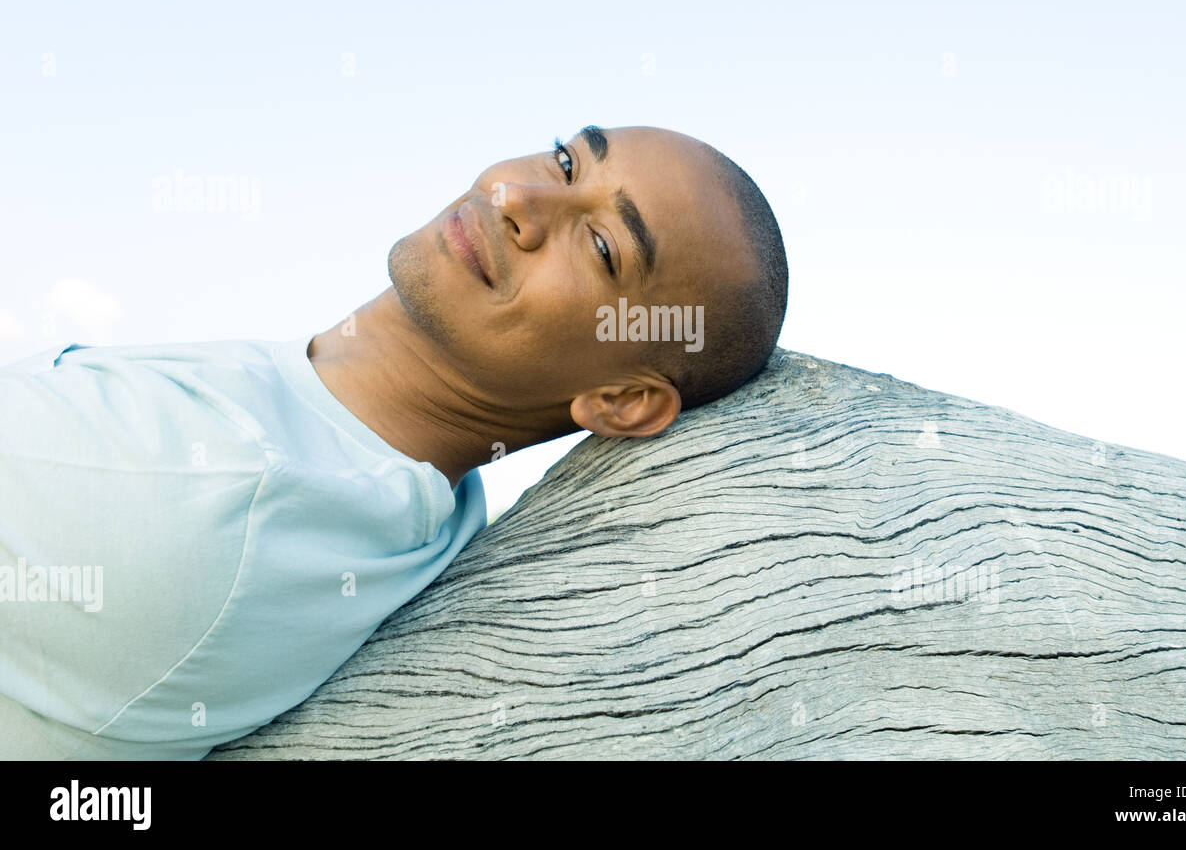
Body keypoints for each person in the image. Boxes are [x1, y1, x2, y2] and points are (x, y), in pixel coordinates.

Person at [0, 124, 789, 759]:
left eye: (604, 247)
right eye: (564, 158)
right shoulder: (425, 508)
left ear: (620, 400)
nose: (517, 195)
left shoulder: (212, 486)